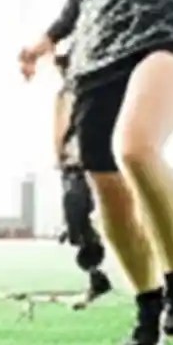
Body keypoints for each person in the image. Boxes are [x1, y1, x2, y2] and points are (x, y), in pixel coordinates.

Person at [19, 0, 173, 345]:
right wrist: (41, 44)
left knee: (134, 147)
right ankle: (148, 305)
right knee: (107, 185)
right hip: (97, 59)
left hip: (171, 34)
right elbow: (76, 6)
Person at [52, 49, 112, 304]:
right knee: (76, 220)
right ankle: (95, 275)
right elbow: (59, 129)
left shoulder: (98, 88)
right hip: (74, 164)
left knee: (118, 218)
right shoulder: (65, 93)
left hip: (98, 162)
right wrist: (61, 157)